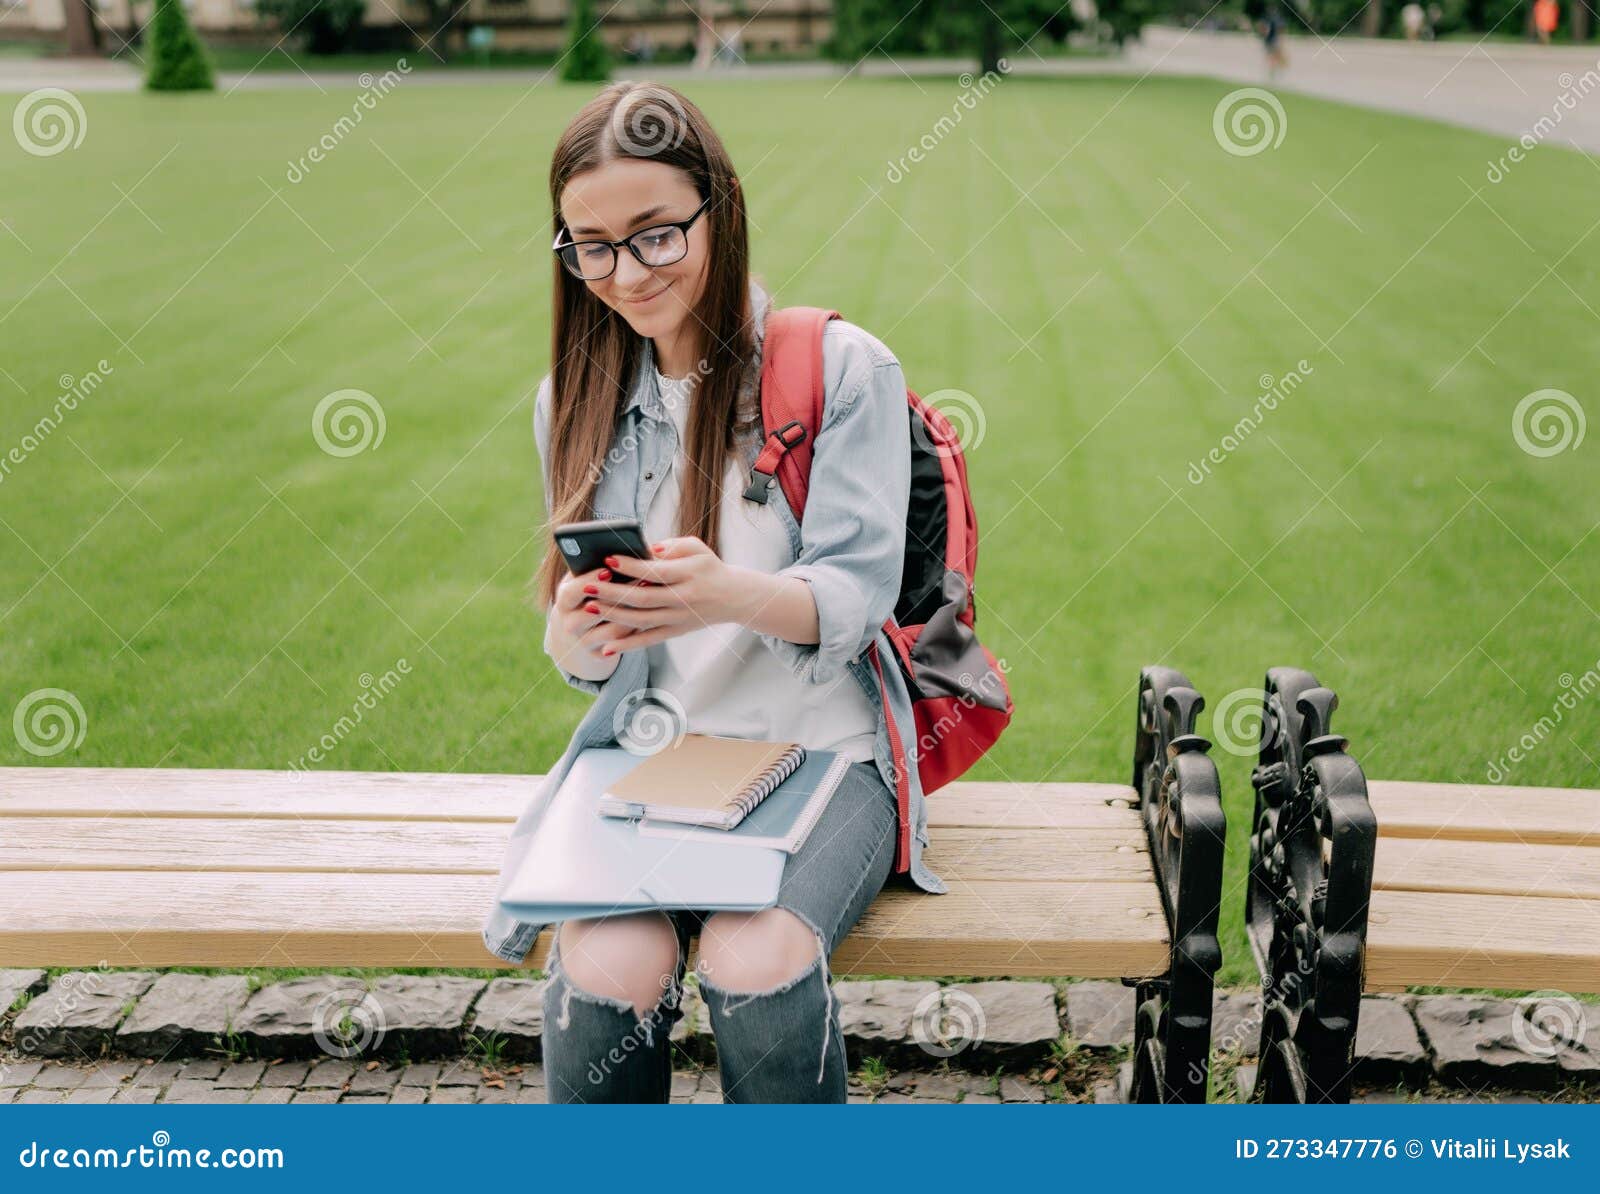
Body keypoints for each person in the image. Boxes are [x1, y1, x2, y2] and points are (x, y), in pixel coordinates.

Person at [478, 81, 945, 1103]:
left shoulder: (836, 367)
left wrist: (729, 594)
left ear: (718, 210)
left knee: (754, 957)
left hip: (828, 756)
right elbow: (591, 664)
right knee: (606, 968)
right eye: (589, 246)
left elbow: (858, 600)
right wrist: (577, 631)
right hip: (656, 763)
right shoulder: (575, 396)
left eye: (653, 235)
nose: (623, 273)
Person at [1259, 4, 1288, 79]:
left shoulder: (1267, 19)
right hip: (1274, 40)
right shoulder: (1276, 19)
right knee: (1275, 57)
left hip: (1269, 41)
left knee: (1272, 57)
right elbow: (1281, 30)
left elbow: (1263, 29)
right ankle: (1275, 72)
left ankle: (1273, 72)